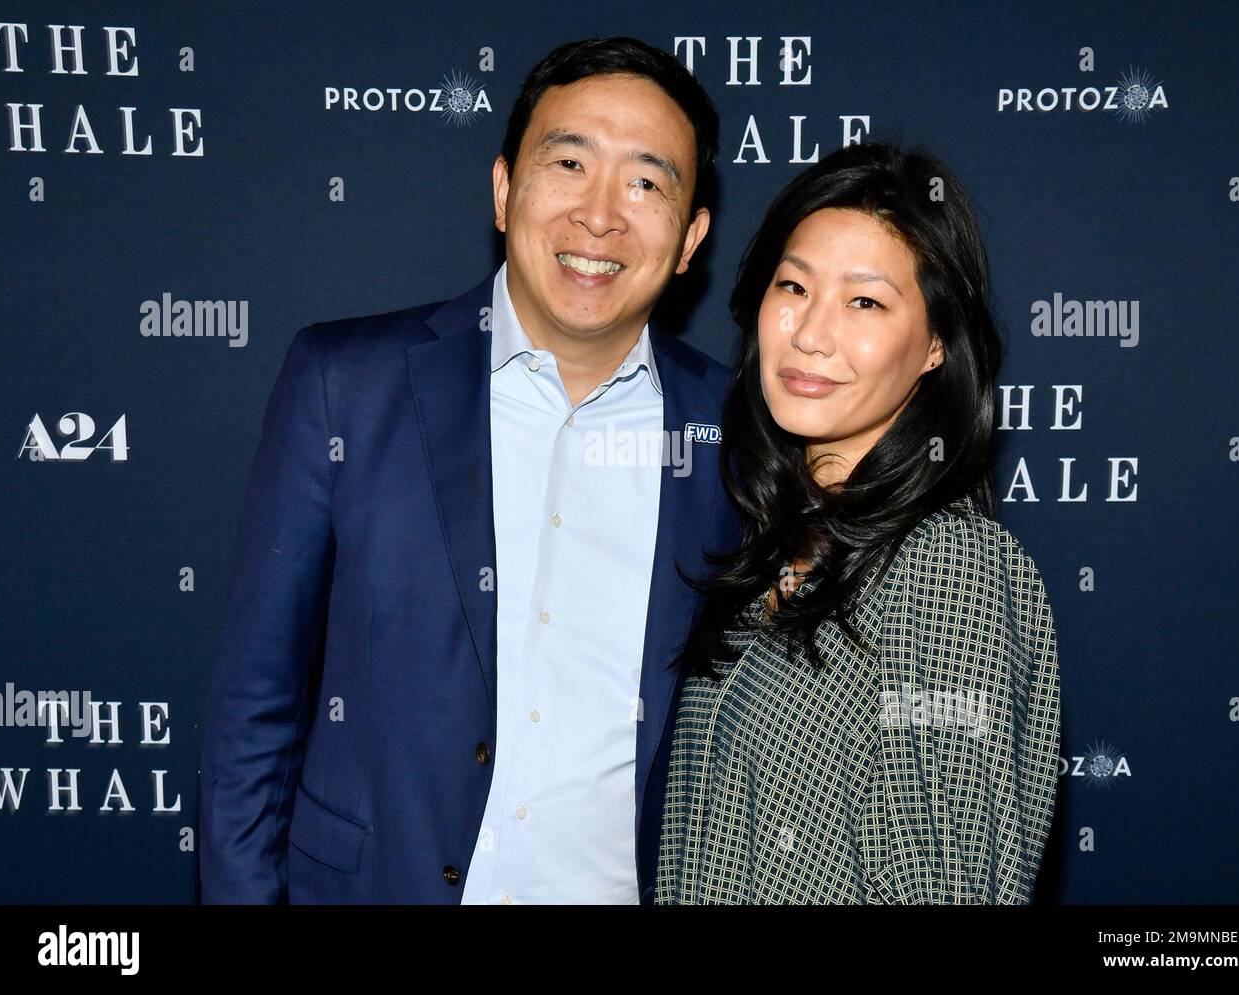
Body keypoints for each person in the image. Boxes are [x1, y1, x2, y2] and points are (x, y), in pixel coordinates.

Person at [199, 36, 741, 904]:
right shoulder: (347, 384)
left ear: (690, 240)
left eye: (646, 182)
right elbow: (253, 715)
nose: (600, 215)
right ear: (502, 190)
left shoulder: (737, 435)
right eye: (569, 162)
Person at [655, 141, 1062, 904]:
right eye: (793, 285)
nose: (811, 332)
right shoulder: (765, 555)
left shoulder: (948, 563)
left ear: (936, 344)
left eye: (864, 301)